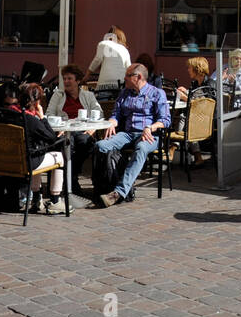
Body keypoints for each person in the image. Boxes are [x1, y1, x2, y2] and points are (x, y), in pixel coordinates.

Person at [93, 64, 170, 207]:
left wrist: (151, 127)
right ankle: (101, 186)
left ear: (138, 77)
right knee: (100, 145)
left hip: (150, 135)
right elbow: (116, 114)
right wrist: (112, 122)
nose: (124, 79)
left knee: (141, 148)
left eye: (127, 76)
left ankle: (118, 193)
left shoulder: (157, 93)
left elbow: (165, 120)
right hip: (127, 133)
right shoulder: (125, 93)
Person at [44, 63, 100, 195]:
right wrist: (60, 126)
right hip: (64, 131)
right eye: (64, 78)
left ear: (78, 80)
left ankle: (71, 176)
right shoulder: (58, 95)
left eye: (70, 78)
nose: (66, 81)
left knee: (86, 143)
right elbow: (49, 115)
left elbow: (99, 113)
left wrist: (92, 129)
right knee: (67, 143)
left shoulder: (88, 96)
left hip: (83, 130)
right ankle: (72, 181)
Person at [17, 82, 67, 214]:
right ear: (36, 101)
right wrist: (42, 116)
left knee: (35, 153)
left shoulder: (13, 115)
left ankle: (37, 200)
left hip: (11, 162)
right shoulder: (31, 120)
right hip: (28, 163)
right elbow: (51, 137)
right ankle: (55, 201)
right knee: (59, 155)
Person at [87, 27, 131, 101]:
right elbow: (129, 69)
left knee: (102, 109)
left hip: (104, 87)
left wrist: (87, 75)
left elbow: (97, 60)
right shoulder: (125, 50)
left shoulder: (104, 44)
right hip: (121, 87)